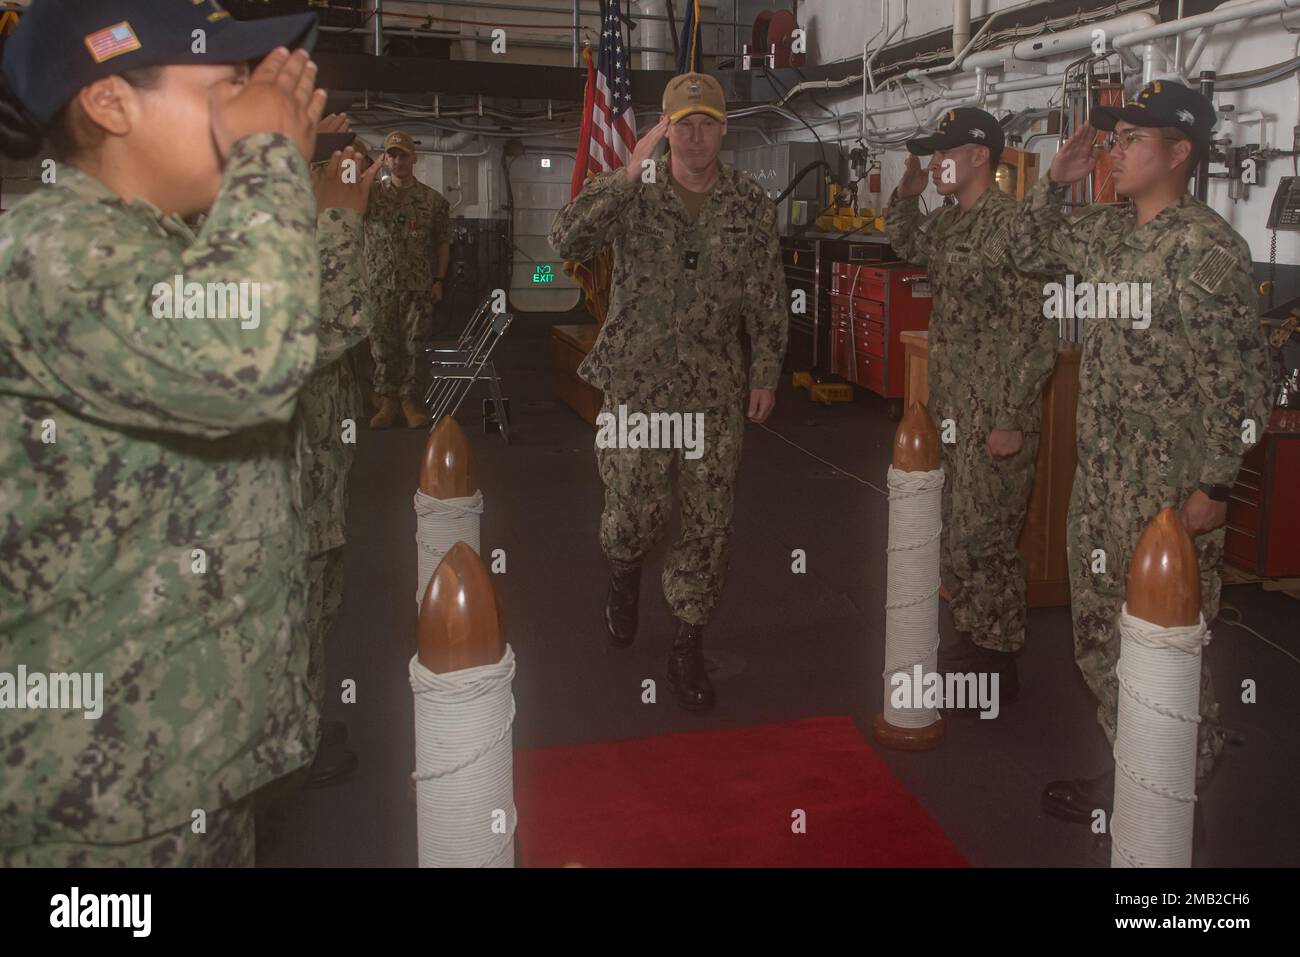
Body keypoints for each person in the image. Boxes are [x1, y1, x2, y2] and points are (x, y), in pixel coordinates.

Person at [0, 0, 326, 865]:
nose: (254, 100)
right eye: (228, 83)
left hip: (185, 765)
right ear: (109, 103)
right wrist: (267, 152)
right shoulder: (47, 248)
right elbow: (253, 351)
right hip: (94, 806)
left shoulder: (156, 245)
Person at [1007, 80, 1273, 824]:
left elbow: (1240, 381)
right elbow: (1028, 250)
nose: (1115, 152)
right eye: (1114, 139)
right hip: (1102, 482)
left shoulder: (1208, 249)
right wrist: (1053, 185)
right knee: (1098, 637)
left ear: (1179, 152)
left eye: (1132, 140)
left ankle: (1175, 775)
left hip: (1169, 493)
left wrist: (1217, 484)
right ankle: (1138, 764)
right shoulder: (1106, 231)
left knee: (1169, 641)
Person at [548, 72, 788, 711]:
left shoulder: (748, 203)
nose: (696, 136)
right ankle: (624, 571)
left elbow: (768, 293)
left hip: (714, 386)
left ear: (724, 128)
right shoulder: (634, 192)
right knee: (634, 511)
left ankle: (688, 644)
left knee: (709, 522)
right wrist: (624, 175)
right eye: (684, 124)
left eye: (708, 122)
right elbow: (565, 241)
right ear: (665, 129)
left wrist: (765, 370)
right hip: (638, 383)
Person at [885, 108, 1058, 703]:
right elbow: (906, 243)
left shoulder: (1012, 227)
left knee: (987, 539)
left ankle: (995, 661)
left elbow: (1038, 331)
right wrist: (906, 196)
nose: (935, 162)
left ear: (981, 154)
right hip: (954, 405)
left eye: (944, 151)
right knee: (957, 532)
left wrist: (1011, 418)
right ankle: (972, 638)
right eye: (932, 153)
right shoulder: (950, 224)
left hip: (996, 412)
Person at [296, 122, 379, 787]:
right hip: (288, 468)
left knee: (318, 592)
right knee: (297, 597)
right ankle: (286, 741)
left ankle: (301, 722)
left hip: (318, 446)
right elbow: (340, 316)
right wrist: (340, 217)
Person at [364, 130, 452, 429]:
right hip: (379, 285)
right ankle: (387, 401)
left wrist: (439, 280)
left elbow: (442, 242)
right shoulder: (371, 196)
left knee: (415, 346)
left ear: (414, 157)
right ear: (385, 158)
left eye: (403, 155)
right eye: (393, 155)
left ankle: (409, 402)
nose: (398, 160)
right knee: (382, 345)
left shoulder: (432, 201)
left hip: (417, 286)